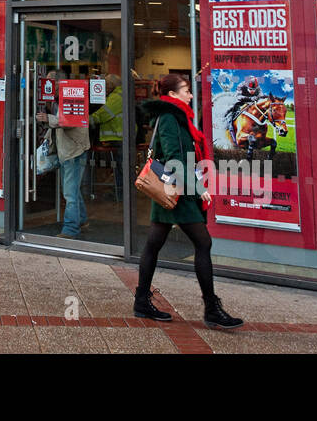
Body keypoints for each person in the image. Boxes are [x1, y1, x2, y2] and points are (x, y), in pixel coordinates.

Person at [133, 73, 244, 329]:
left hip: (174, 188)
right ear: (172, 94)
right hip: (178, 189)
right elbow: (174, 157)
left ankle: (141, 301)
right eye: (186, 90)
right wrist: (197, 188)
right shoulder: (171, 117)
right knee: (203, 242)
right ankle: (211, 309)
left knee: (154, 242)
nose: (191, 95)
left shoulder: (179, 116)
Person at [38, 70, 89, 239]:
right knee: (72, 189)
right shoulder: (58, 99)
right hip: (69, 150)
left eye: (50, 80)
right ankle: (81, 219)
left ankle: (70, 229)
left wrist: (48, 118)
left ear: (58, 82)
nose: (48, 83)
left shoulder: (70, 96)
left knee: (69, 192)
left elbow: (68, 123)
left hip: (73, 150)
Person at [90, 74, 125, 202]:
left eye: (106, 85)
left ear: (111, 85)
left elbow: (103, 114)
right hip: (119, 137)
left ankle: (120, 194)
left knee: (120, 168)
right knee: (120, 168)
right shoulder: (120, 95)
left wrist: (86, 119)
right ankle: (119, 192)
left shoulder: (116, 97)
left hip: (118, 138)